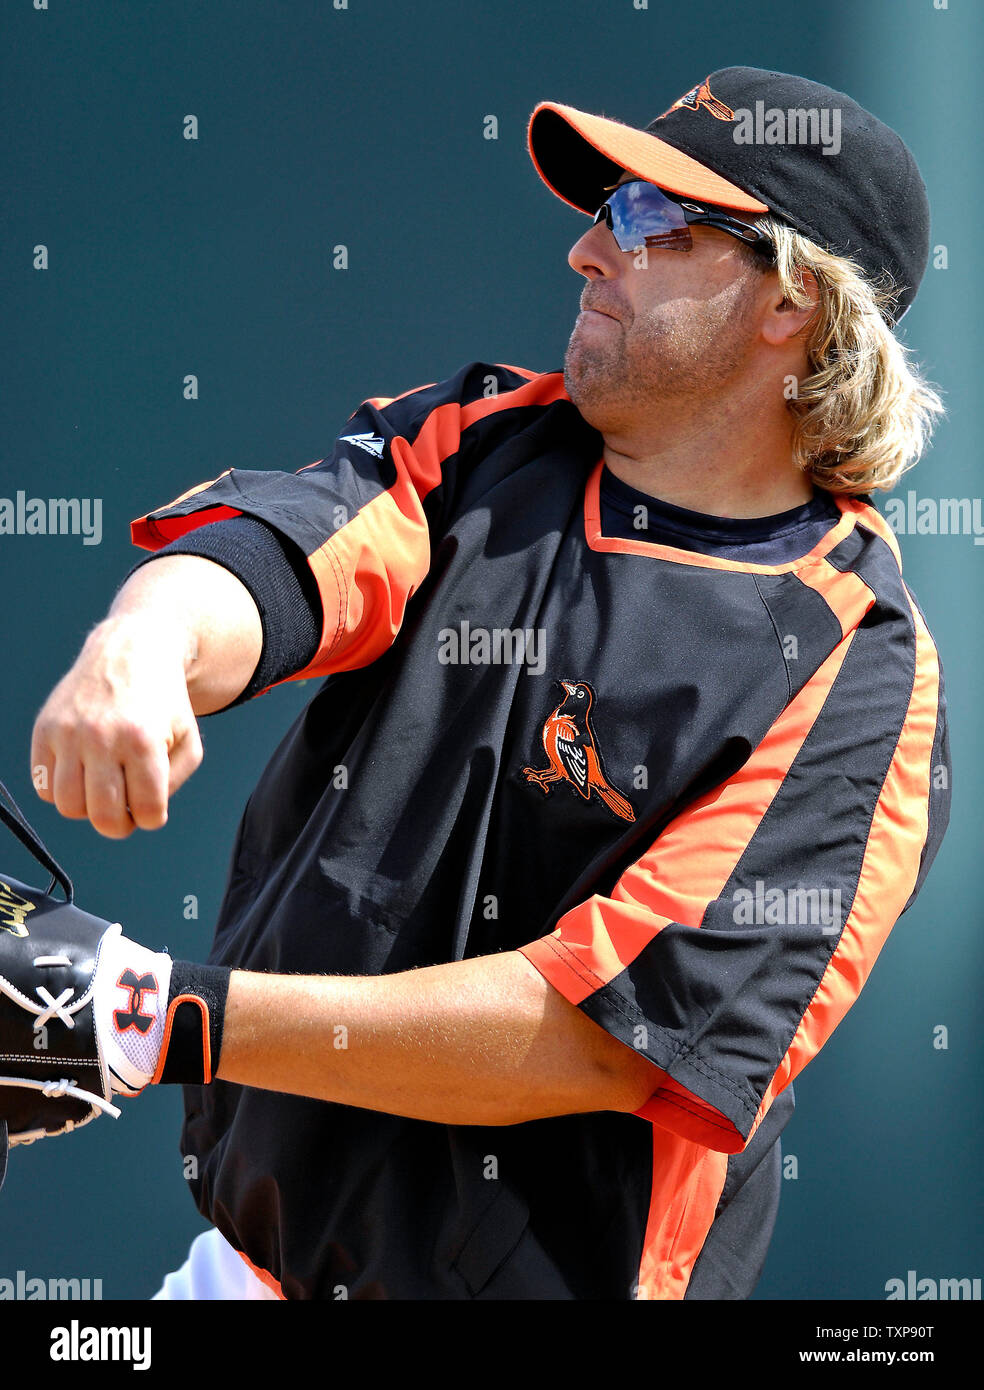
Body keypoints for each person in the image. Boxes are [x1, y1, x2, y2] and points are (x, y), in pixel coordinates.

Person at [28, 66, 950, 1300]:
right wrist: (139, 644)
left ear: (789, 297)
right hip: (243, 1276)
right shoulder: (488, 443)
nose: (585, 249)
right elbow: (275, 561)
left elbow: (592, 1036)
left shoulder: (856, 665)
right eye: (601, 206)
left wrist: (158, 1016)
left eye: (640, 218)